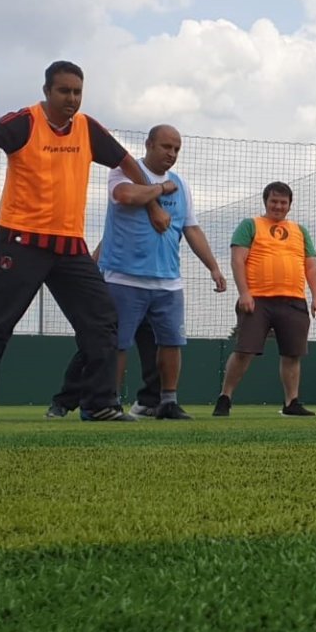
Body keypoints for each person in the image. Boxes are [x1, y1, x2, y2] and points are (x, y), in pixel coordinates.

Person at [0, 60, 159, 423]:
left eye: (77, 92)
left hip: (70, 247)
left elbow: (126, 161)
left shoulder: (87, 128)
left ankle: (99, 404)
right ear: (47, 91)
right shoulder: (25, 122)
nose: (71, 98)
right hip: (20, 242)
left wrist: (152, 202)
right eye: (64, 91)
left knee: (102, 320)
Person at [97, 125, 226, 419]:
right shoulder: (123, 171)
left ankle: (167, 401)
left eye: (177, 149)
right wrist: (160, 189)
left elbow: (191, 228)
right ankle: (109, 402)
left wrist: (213, 267)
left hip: (168, 281)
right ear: (149, 145)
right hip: (124, 277)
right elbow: (126, 195)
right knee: (118, 344)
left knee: (171, 342)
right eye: (166, 147)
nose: (172, 154)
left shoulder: (180, 184)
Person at [212, 182, 316, 417]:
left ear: (290, 205)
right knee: (244, 351)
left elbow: (311, 266)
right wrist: (244, 293)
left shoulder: (300, 231)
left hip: (293, 300)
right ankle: (225, 397)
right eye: (274, 201)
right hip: (258, 300)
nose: (278, 206)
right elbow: (237, 260)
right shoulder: (250, 225)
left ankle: (291, 402)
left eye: (283, 202)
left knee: (292, 354)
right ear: (265, 202)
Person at [49, 318, 160, 417]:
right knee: (99, 341)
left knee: (152, 334)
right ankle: (67, 402)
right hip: (116, 303)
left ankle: (150, 401)